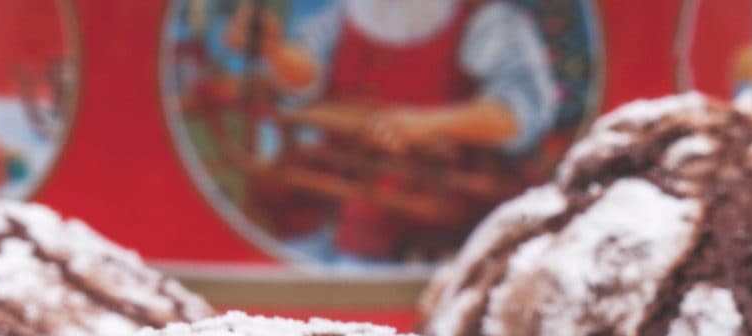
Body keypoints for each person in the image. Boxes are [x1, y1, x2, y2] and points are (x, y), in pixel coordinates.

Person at [226, 0, 561, 260]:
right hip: (344, 185)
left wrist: (424, 125)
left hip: (434, 198)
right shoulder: (349, 14)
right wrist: (274, 50)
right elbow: (306, 71)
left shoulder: (487, 21)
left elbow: (516, 114)